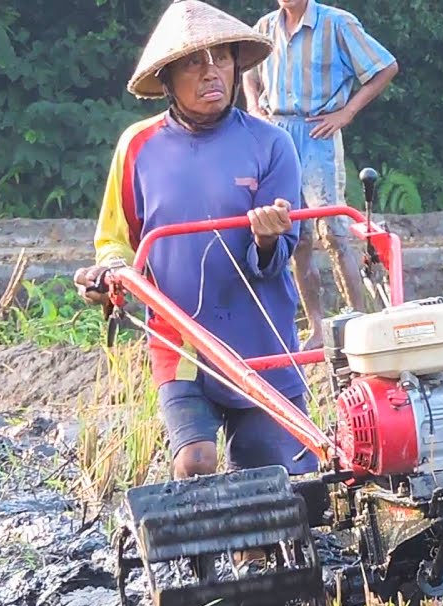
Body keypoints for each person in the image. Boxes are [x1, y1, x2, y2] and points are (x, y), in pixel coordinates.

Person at [72, 0, 318, 491]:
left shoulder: (271, 144)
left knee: (279, 483)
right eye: (192, 63)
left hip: (262, 340)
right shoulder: (137, 147)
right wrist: (108, 276)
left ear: (236, 66)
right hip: (181, 340)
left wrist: (267, 236)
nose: (211, 73)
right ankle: (197, 540)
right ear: (167, 80)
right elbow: (116, 241)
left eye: (221, 59)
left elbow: (279, 252)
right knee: (195, 461)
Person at [243, 0, 399, 350]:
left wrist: (348, 112)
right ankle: (316, 327)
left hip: (318, 132)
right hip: (277, 133)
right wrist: (253, 107)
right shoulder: (265, 27)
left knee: (333, 230)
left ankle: (358, 321)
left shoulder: (337, 23)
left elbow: (385, 67)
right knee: (294, 232)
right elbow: (247, 73)